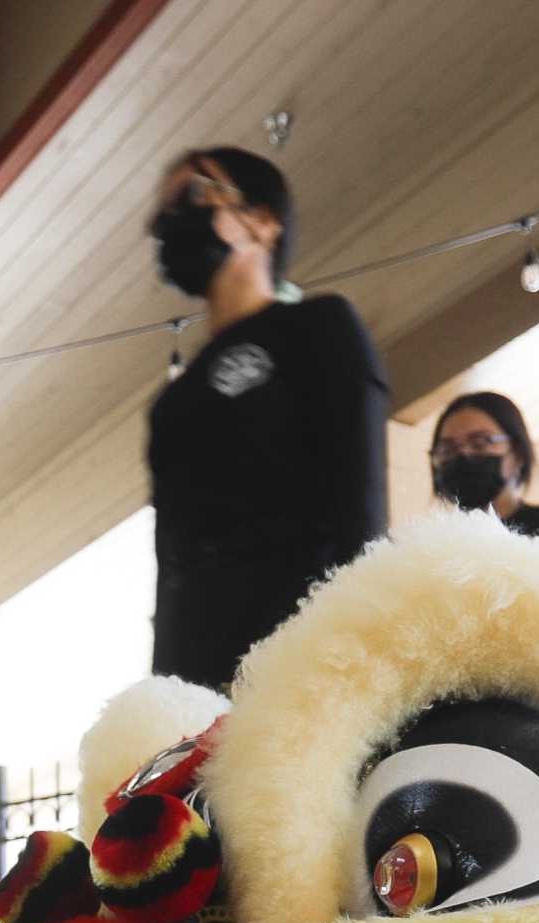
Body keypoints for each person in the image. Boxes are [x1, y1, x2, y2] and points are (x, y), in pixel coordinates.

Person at [147, 147, 388, 691]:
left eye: (193, 194)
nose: (167, 221)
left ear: (262, 221)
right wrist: (165, 696)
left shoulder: (318, 328)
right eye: (162, 212)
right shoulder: (171, 406)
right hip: (201, 676)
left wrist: (361, 650)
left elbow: (361, 501)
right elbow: (170, 567)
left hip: (304, 652)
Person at [429, 391, 539, 542]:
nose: (463, 455)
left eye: (480, 442)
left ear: (517, 453)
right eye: (447, 449)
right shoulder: (436, 543)